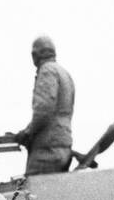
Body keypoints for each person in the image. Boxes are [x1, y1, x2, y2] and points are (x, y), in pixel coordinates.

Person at [13, 35, 75, 175]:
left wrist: (27, 133)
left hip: (47, 147)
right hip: (62, 144)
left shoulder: (47, 71)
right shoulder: (64, 73)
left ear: (35, 55)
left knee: (32, 191)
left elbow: (44, 110)